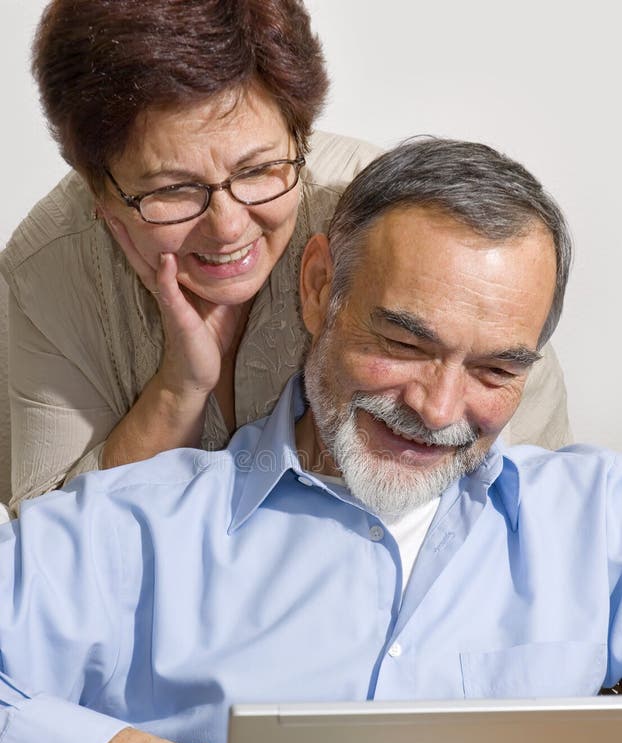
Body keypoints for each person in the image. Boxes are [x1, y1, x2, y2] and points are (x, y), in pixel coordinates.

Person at [0, 137, 618, 743]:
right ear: (320, 285)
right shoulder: (140, 529)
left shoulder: (597, 519)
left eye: (495, 369)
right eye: (403, 343)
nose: (439, 408)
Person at [0, 0, 570, 514]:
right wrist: (177, 393)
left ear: (301, 134)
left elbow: (524, 521)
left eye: (257, 170)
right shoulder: (48, 269)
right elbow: (48, 565)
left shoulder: (391, 232)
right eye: (172, 189)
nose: (227, 229)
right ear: (100, 193)